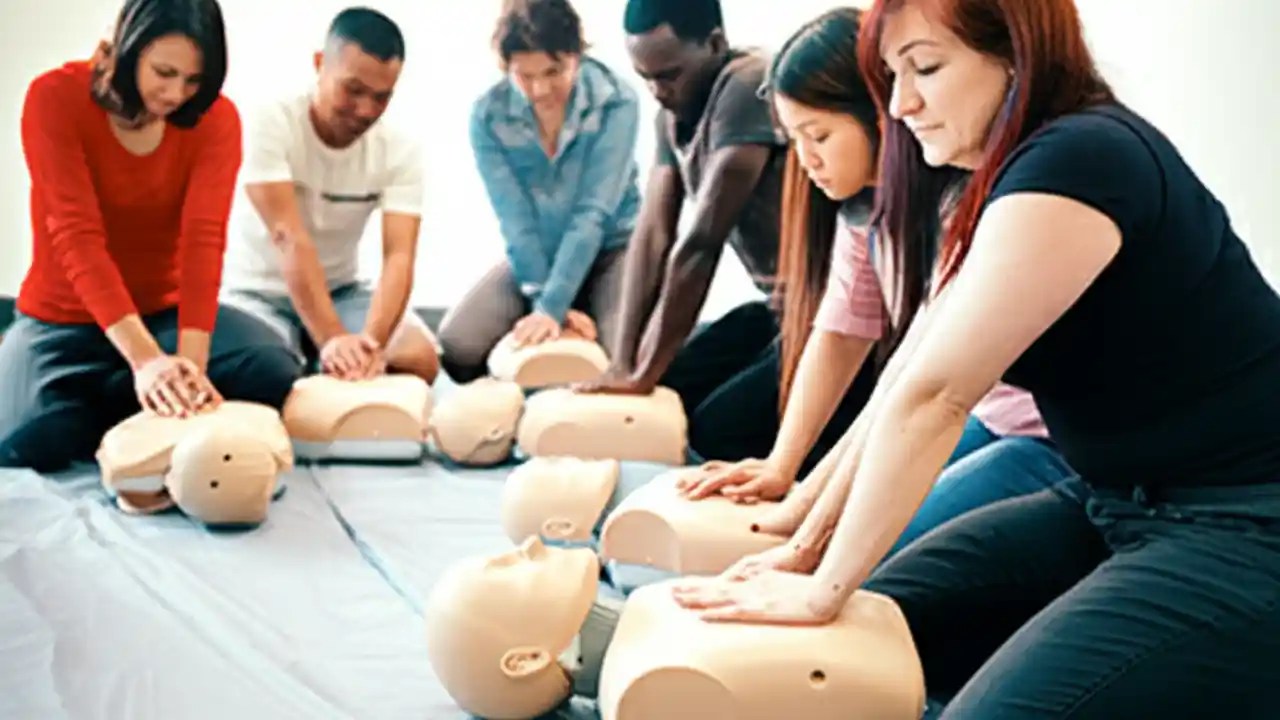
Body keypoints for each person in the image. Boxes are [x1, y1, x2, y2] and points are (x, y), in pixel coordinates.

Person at [674, 0, 1280, 716]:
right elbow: (905, 377)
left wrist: (821, 586)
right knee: (859, 638)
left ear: (1018, 55)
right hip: (1111, 497)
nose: (899, 105)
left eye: (925, 68)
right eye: (892, 75)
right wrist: (806, 548)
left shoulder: (1081, 158)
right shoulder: (998, 181)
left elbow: (937, 395)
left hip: (1242, 524)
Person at [680, 7, 1074, 559]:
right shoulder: (864, 210)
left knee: (876, 550)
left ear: (878, 118)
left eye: (818, 135)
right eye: (794, 140)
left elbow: (925, 388)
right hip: (978, 418)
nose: (806, 160)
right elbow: (839, 334)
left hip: (1040, 437)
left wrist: (809, 519)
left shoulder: (965, 199)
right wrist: (782, 468)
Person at [0, 0, 302, 473]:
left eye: (193, 80)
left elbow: (204, 241)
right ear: (127, 47)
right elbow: (76, 236)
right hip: (60, 324)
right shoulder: (53, 97)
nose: (176, 93)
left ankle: (132, 396)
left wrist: (191, 370)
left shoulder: (216, 120)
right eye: (164, 72)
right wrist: (144, 362)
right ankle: (128, 389)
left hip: (163, 313)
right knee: (21, 441)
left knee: (275, 367)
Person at [578, 0, 832, 469]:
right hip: (779, 312)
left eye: (669, 75)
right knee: (672, 388)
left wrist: (640, 373)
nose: (658, 90)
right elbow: (653, 236)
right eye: (646, 77)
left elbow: (699, 244)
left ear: (715, 43)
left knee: (715, 429)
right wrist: (624, 362)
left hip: (829, 319)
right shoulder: (670, 113)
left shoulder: (748, 84)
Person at [220, 7, 439, 384]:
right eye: (353, 90)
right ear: (320, 64)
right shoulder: (269, 123)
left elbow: (398, 256)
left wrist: (371, 344)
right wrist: (333, 338)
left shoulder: (400, 148)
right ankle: (312, 352)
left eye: (381, 97)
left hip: (341, 291)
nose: (365, 110)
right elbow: (287, 236)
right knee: (271, 374)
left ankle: (323, 355)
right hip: (257, 295)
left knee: (418, 361)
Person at [437, 0, 642, 383]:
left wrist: (551, 307)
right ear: (506, 67)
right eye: (525, 76)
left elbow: (593, 213)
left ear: (576, 55)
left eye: (554, 71)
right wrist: (544, 301)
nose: (541, 89)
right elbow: (515, 221)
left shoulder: (617, 101)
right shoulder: (488, 117)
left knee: (622, 362)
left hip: (612, 250)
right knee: (458, 346)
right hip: (536, 260)